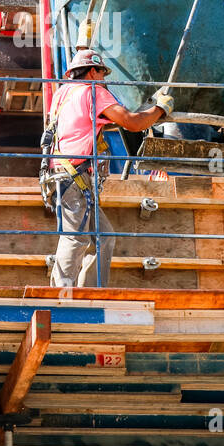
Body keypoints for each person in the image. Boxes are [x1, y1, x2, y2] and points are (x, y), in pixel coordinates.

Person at [47, 49, 172, 288]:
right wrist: (160, 110)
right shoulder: (93, 92)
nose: (104, 80)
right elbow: (133, 123)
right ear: (93, 71)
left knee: (104, 237)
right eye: (102, 74)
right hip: (74, 175)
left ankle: (91, 292)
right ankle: (60, 296)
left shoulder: (62, 94)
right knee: (74, 237)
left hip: (62, 174)